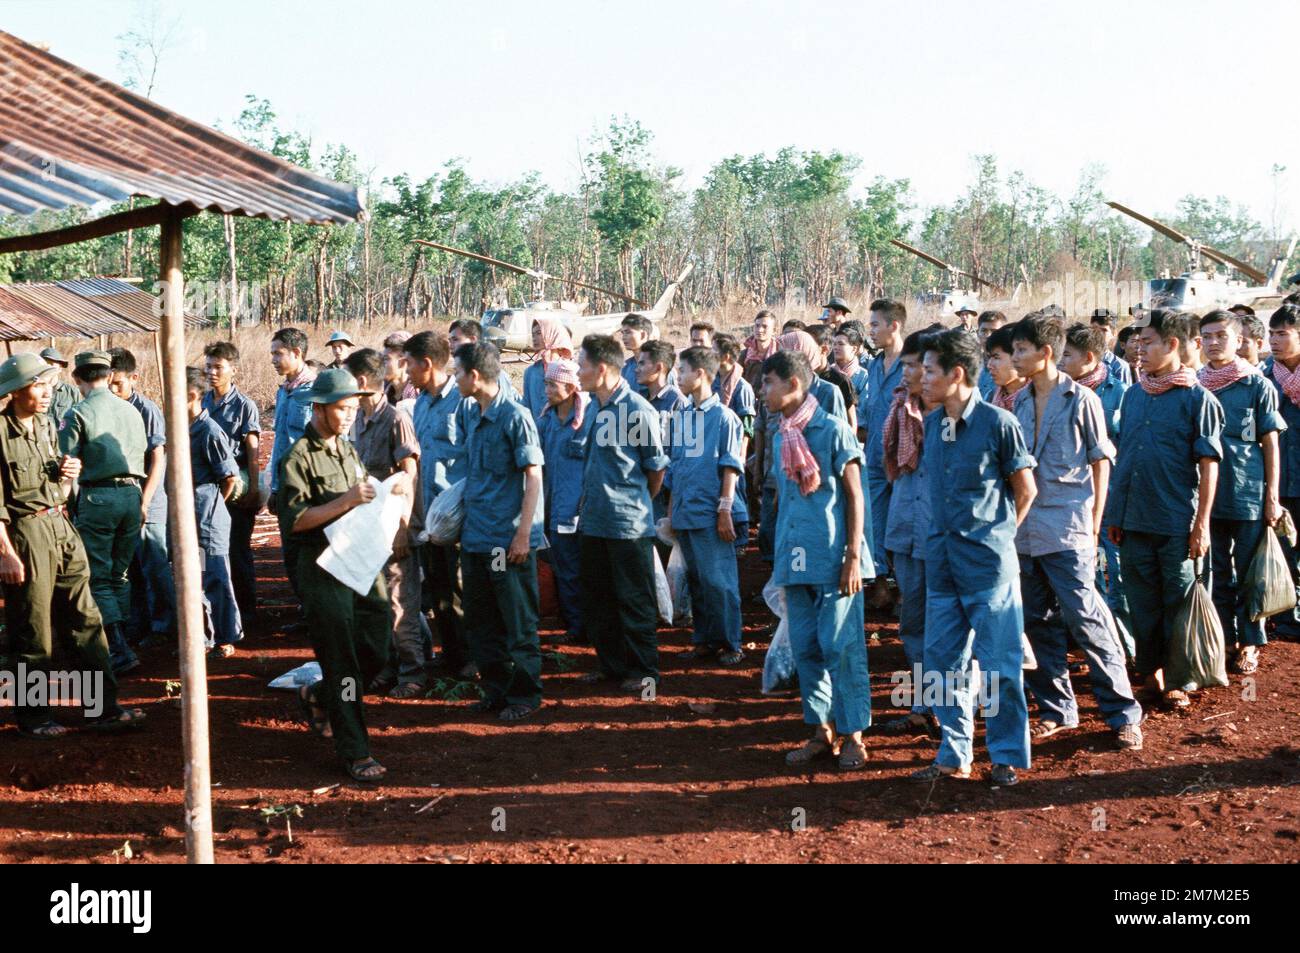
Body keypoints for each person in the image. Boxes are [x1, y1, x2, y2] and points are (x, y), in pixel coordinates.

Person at [1008, 315, 1144, 750]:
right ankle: (1056, 709)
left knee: (1087, 618)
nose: (1014, 358)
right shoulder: (1020, 403)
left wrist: (1094, 519)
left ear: (1045, 353)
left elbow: (1101, 461)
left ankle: (1123, 713)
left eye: (1021, 350)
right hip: (1027, 531)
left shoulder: (1082, 400)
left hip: (1068, 526)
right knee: (1037, 620)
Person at [0, 352, 145, 738]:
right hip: (25, 534)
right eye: (39, 385)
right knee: (32, 630)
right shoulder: (0, 432)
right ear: (15, 392)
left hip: (62, 525)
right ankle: (34, 719)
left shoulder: (48, 425)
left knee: (86, 620)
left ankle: (102, 709)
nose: (48, 392)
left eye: (49, 384)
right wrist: (6, 553)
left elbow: (58, 482)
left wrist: (70, 474)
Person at [915, 329, 1037, 786]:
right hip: (943, 565)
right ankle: (954, 753)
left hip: (988, 568)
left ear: (956, 374)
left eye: (930, 371)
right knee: (942, 665)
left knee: (999, 666)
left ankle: (1004, 756)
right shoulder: (931, 425)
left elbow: (1026, 490)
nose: (922, 379)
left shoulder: (998, 424)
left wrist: (999, 537)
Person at [277, 368, 393, 783]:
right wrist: (346, 500)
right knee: (342, 662)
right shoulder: (298, 459)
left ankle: (320, 694)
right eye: (342, 409)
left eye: (353, 409)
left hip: (357, 561)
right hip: (322, 569)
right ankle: (356, 751)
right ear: (320, 408)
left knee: (378, 644)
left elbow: (361, 497)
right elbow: (295, 521)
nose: (349, 416)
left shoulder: (346, 449)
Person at [1105, 309, 1223, 709]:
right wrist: (1115, 515)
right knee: (1141, 601)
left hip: (1176, 523)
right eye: (1137, 342)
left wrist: (1201, 524)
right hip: (1133, 520)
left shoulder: (1197, 399)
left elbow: (1209, 468)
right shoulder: (1134, 395)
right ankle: (1150, 672)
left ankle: (1179, 677)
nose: (1139, 350)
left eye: (1148, 342)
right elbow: (1125, 460)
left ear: (1172, 345)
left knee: (1177, 600)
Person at [762, 349, 871, 770]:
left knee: (841, 646)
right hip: (795, 559)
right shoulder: (779, 434)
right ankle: (820, 731)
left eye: (769, 383)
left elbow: (854, 496)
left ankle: (855, 735)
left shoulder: (833, 431)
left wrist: (853, 557)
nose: (763, 391)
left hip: (834, 558)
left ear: (793, 384)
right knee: (806, 648)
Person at [454, 340, 546, 721]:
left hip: (503, 544)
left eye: (457, 372)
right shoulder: (473, 414)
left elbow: (534, 476)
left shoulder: (515, 416)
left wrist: (523, 534)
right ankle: (495, 691)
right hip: (475, 538)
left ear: (475, 376)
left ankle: (524, 696)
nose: (454, 379)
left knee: (517, 620)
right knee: (481, 621)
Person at [575, 334, 669, 694]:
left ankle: (645, 674)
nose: (577, 372)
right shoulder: (596, 408)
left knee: (634, 600)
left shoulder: (637, 410)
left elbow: (655, 468)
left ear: (601, 369)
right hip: (595, 521)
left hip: (628, 524)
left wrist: (637, 503)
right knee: (599, 600)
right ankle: (612, 665)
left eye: (582, 365)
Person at [1199, 311, 1284, 675]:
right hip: (1206, 499)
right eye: (1206, 336)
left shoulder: (1256, 385)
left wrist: (1272, 496)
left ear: (1238, 341)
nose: (1213, 342)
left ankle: (1250, 642)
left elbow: (1270, 444)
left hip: (1248, 494)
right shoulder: (1195, 386)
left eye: (1221, 335)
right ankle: (1224, 640)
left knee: (1250, 574)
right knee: (1215, 573)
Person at [59, 350, 148, 675]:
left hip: (99, 498)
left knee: (98, 576)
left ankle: (117, 647)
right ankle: (123, 638)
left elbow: (65, 464)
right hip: (132, 496)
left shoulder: (78, 413)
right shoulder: (132, 410)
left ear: (77, 378)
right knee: (120, 573)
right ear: (109, 375)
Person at [345, 348, 425, 697]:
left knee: (400, 603)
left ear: (361, 382)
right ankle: (388, 668)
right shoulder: (359, 420)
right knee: (376, 604)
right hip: (370, 527)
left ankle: (413, 674)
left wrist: (404, 527)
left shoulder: (396, 420)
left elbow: (409, 474)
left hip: (394, 527)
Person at [880, 324, 943, 735]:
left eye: (912, 365)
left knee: (949, 628)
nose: (904, 373)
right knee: (912, 624)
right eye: (901, 365)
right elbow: (882, 471)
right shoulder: (899, 410)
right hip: (905, 528)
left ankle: (955, 709)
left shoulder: (953, 417)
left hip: (943, 537)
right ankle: (923, 705)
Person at [669, 346, 749, 666]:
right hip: (687, 510)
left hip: (711, 513)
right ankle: (704, 639)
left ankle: (731, 643)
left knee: (720, 581)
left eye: (683, 370)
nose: (679, 375)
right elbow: (676, 467)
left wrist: (725, 510)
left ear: (700, 374)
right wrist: (673, 511)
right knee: (699, 581)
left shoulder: (724, 418)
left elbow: (730, 467)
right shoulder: (683, 415)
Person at [1060, 322, 1134, 659]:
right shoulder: (1055, 393)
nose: (1059, 360)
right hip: (1067, 503)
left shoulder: (1120, 393)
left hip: (1106, 502)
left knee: (1109, 578)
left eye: (1067, 354)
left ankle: (1120, 651)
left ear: (1089, 357)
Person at [405, 330, 475, 678]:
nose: (405, 372)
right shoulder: (420, 403)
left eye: (408, 364)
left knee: (463, 589)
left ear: (426, 363)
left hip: (459, 517)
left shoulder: (463, 401)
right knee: (439, 591)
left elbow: (476, 459)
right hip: (430, 517)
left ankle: (473, 660)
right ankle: (452, 656)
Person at [107, 347, 175, 653]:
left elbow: (158, 457)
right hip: (123, 501)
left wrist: (145, 502)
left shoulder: (146, 409)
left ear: (134, 378)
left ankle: (164, 626)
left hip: (148, 500)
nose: (112, 389)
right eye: (108, 383)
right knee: (130, 566)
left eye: (118, 383)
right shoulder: (108, 408)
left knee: (154, 564)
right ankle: (139, 623)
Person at [184, 367, 244, 658]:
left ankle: (226, 636)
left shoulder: (208, 430)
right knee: (197, 574)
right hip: (191, 517)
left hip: (208, 516)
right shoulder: (184, 429)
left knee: (216, 576)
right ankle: (205, 636)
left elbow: (229, 476)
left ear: (192, 396)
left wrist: (212, 503)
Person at [202, 341, 262, 632]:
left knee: (237, 549)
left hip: (234, 486)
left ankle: (247, 609)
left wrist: (252, 490)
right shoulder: (200, 400)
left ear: (233, 369)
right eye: (209, 366)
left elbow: (252, 449)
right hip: (207, 486)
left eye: (218, 367)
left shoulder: (244, 406)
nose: (212, 372)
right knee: (208, 551)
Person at [536, 358, 589, 645]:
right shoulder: (546, 421)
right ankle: (575, 624)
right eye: (545, 383)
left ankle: (586, 624)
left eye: (551, 384)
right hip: (555, 509)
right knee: (565, 569)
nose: (546, 389)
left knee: (584, 570)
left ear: (570, 387)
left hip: (582, 509)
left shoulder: (587, 420)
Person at [861, 299, 907, 587]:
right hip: (875, 457)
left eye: (876, 325)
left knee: (903, 523)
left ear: (894, 325)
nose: (871, 331)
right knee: (874, 523)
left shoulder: (912, 365)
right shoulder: (874, 366)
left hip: (903, 460)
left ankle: (903, 587)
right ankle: (880, 584)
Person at [267, 327, 316, 593]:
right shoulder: (284, 391)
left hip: (308, 488)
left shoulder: (316, 391)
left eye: (278, 353)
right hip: (285, 485)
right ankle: (306, 612)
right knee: (291, 555)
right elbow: (279, 443)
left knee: (310, 555)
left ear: (297, 353)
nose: (273, 359)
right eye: (272, 354)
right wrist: (275, 487)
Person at [1264, 303, 1300, 638]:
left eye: (1283, 334)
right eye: (1271, 333)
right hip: (1279, 482)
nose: (1275, 340)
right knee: (1283, 555)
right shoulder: (1264, 377)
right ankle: (1286, 620)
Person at [448, 319, 520, 403]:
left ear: (472, 340)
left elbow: (503, 409)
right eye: (450, 341)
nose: (450, 346)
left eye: (455, 340)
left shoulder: (493, 375)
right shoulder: (461, 374)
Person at [522, 316, 574, 425]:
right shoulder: (530, 372)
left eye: (539, 333)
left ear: (552, 333)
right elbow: (526, 408)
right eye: (533, 334)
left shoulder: (569, 369)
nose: (534, 338)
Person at [984, 323, 1028, 411]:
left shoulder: (1038, 400)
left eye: (996, 357)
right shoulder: (990, 398)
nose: (989, 365)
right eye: (989, 357)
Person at [1090, 309, 1134, 386]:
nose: (1098, 334)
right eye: (1094, 329)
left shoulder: (1119, 367)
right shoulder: (1079, 359)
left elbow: (1124, 395)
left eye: (1104, 330)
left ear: (1114, 333)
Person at [741, 310, 779, 396]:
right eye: (757, 326)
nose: (759, 330)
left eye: (765, 326)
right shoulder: (745, 355)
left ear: (774, 330)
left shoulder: (779, 356)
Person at [39, 347, 79, 424]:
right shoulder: (34, 391)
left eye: (51, 364)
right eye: (45, 364)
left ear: (60, 368)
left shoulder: (72, 392)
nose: (48, 368)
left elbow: (78, 420)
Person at [381, 332, 419, 406]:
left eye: (386, 359)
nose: (381, 364)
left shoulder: (417, 395)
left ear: (403, 361)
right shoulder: (383, 392)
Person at [975, 310, 1007, 399]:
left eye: (994, 331)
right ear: (977, 333)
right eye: (984, 331)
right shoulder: (969, 365)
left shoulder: (1011, 366)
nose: (988, 336)